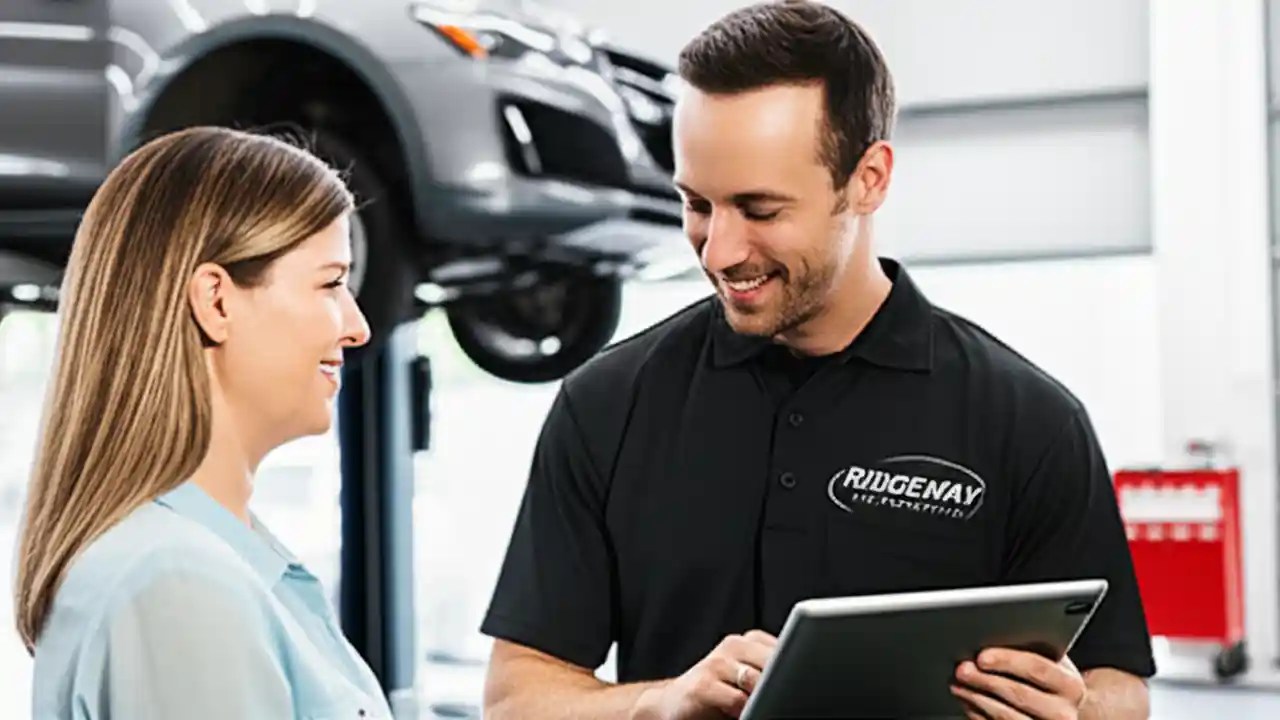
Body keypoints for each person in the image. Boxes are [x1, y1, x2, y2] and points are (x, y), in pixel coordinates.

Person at [479, 2, 1155, 719]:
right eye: (697, 204)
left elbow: (1120, 686)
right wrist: (659, 703)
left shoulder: (1028, 422)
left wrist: (1076, 712)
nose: (719, 252)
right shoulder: (608, 405)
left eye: (761, 210)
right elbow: (516, 698)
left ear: (868, 179)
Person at [12, 126, 389, 718]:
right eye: (331, 283)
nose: (357, 325)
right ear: (216, 302)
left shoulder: (204, 561)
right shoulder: (178, 582)